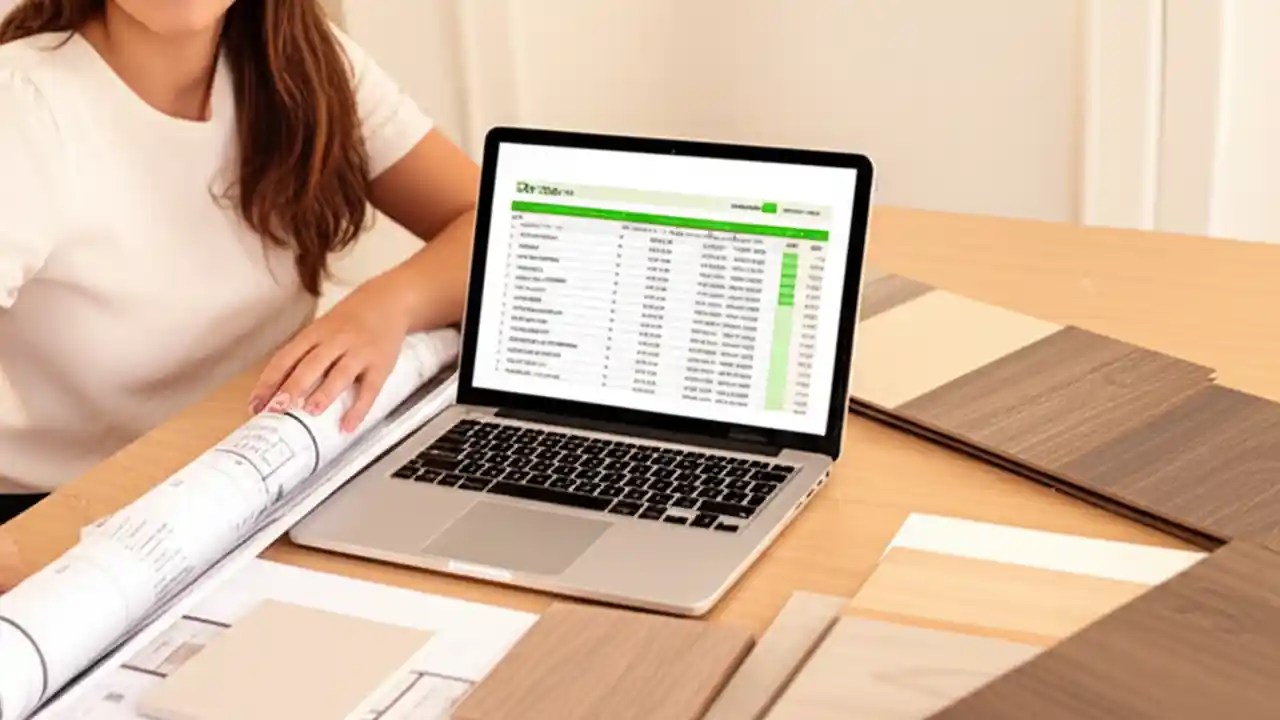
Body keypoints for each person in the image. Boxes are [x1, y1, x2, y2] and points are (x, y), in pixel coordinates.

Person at [0, 0, 476, 540]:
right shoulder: (21, 104)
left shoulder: (305, 63)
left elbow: (501, 224)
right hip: (57, 514)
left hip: (254, 481)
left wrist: (390, 303)